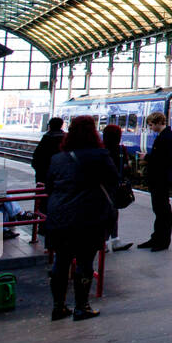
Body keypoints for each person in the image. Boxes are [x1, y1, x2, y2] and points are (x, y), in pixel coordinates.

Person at [43, 115, 118, 321]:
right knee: (85, 263)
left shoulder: (58, 158)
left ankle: (58, 307)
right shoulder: (100, 155)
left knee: (61, 262)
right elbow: (114, 180)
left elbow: (49, 186)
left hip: (59, 217)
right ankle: (81, 307)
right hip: (89, 217)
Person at [138, 111, 172, 251]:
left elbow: (162, 160)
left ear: (159, 122)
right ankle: (156, 238)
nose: (150, 128)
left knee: (162, 210)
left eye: (151, 125)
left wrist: (146, 157)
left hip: (161, 179)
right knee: (158, 210)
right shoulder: (162, 136)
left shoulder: (166, 138)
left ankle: (162, 241)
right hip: (158, 179)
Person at [102, 124, 134, 252]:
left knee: (104, 214)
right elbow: (127, 169)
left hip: (102, 187)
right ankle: (114, 240)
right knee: (113, 213)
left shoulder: (100, 149)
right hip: (117, 186)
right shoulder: (121, 150)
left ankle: (104, 243)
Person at [32, 117, 66, 215]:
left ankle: (42, 227)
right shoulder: (65, 139)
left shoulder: (46, 138)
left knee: (44, 205)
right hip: (61, 179)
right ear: (61, 125)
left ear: (49, 126)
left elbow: (36, 159)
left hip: (44, 179)